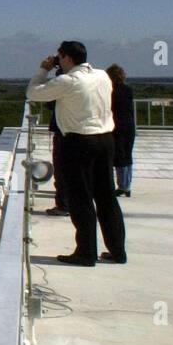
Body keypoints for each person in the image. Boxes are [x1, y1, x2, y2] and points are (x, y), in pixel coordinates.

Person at [26, 41, 126, 266]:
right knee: (106, 196)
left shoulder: (68, 81)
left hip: (79, 141)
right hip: (105, 139)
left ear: (67, 58)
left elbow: (33, 93)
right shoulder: (102, 76)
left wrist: (43, 69)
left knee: (80, 198)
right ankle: (118, 250)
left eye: (59, 57)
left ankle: (86, 252)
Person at [107, 64, 136, 196]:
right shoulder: (128, 89)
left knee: (119, 156)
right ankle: (127, 185)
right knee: (127, 154)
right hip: (129, 124)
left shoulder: (111, 91)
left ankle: (122, 185)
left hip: (117, 125)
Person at [45, 101, 69, 216]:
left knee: (61, 171)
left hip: (63, 133)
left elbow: (49, 102)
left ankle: (63, 206)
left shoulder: (65, 89)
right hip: (78, 133)